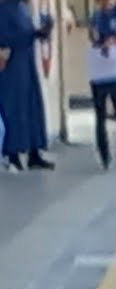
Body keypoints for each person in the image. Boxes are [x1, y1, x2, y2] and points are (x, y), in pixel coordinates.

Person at [0, 0, 54, 170]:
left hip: (27, 63)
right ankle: (13, 154)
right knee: (15, 110)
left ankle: (34, 153)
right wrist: (32, 34)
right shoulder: (4, 8)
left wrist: (41, 32)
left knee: (32, 108)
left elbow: (28, 31)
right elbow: (6, 37)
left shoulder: (23, 8)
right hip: (12, 67)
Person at [87, 0, 116, 169]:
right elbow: (93, 36)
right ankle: (104, 156)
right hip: (100, 69)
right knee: (100, 115)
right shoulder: (96, 16)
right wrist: (96, 38)